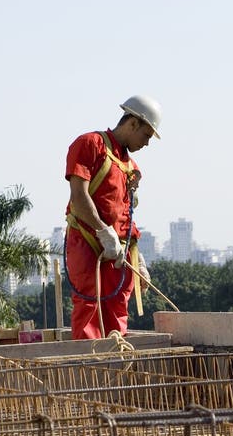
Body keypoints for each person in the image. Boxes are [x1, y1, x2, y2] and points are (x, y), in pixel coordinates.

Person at [64, 95, 162, 340]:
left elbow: (125, 214)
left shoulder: (131, 168)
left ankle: (117, 361)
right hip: (87, 241)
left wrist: (137, 258)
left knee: (117, 307)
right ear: (133, 123)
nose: (147, 143)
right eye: (146, 135)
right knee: (90, 306)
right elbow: (79, 196)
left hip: (119, 249)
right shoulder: (90, 144)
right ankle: (91, 362)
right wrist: (102, 231)